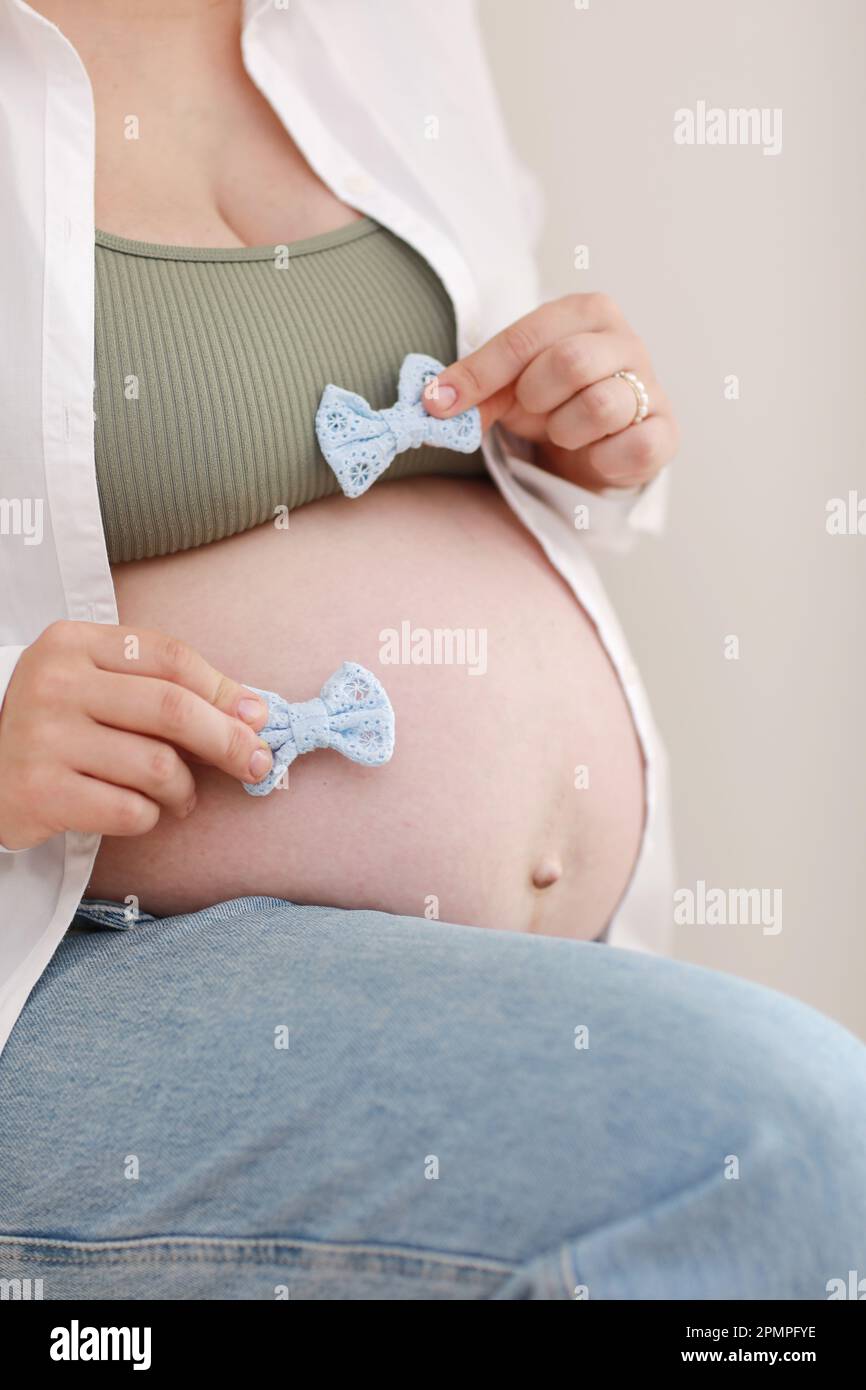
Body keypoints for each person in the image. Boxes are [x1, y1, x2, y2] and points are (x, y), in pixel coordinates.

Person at [0, 0, 863, 1300]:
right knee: (769, 1140)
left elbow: (470, 429)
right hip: (75, 967)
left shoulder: (388, 19)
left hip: (509, 964)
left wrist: (573, 443)